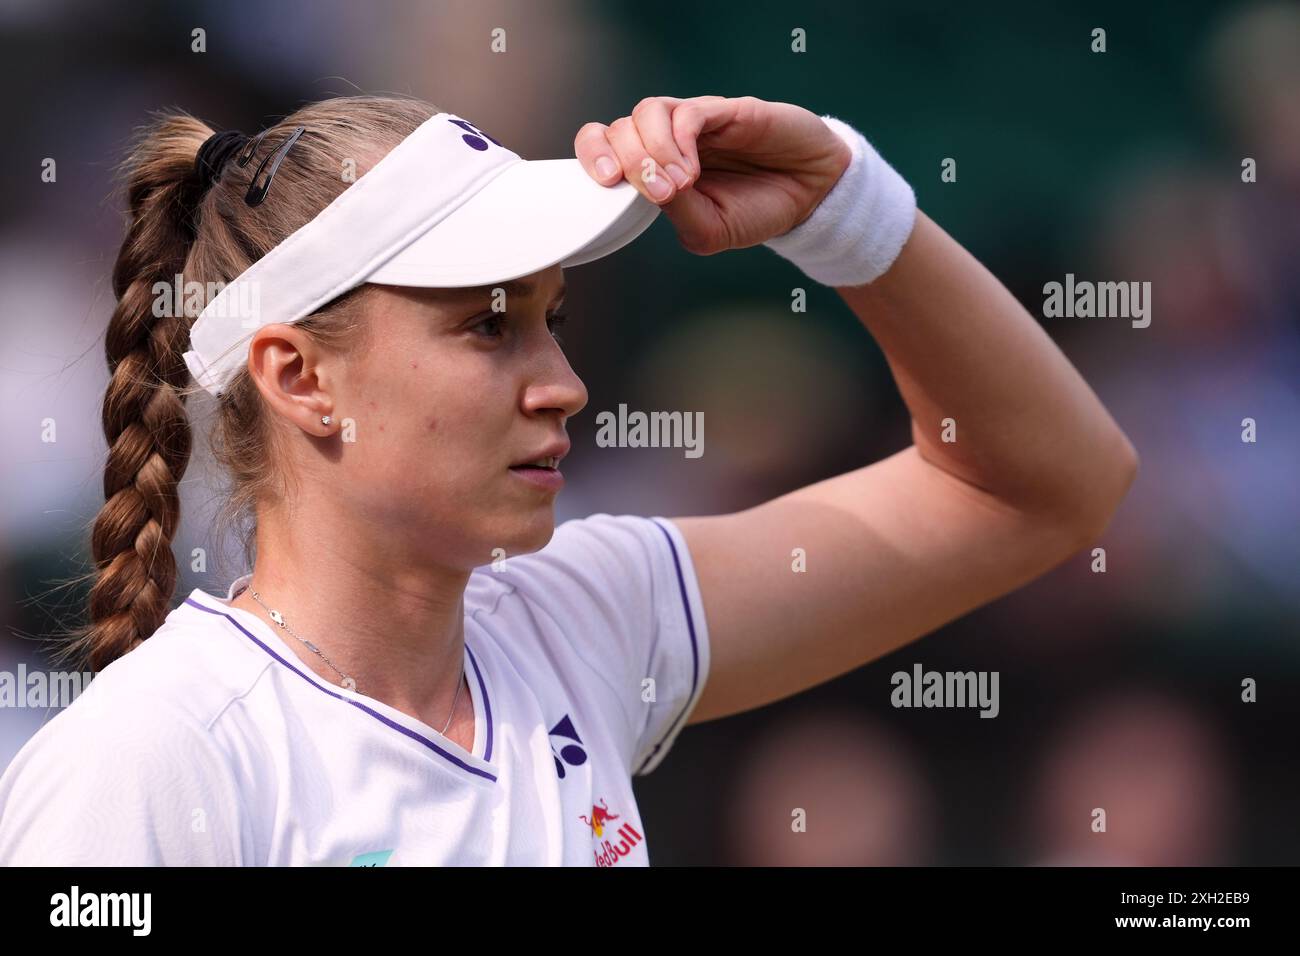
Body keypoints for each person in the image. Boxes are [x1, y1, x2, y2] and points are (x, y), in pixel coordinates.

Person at [0, 94, 1137, 865]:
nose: (565, 384)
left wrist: (847, 208)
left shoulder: (582, 618)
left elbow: (1042, 487)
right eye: (488, 326)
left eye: (554, 319)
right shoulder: (151, 757)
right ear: (297, 375)